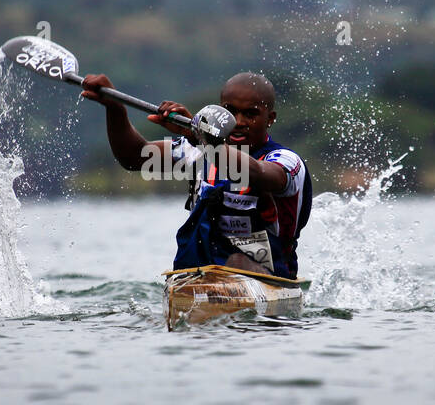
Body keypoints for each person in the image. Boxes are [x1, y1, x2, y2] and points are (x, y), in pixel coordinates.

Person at [79, 71, 311, 279]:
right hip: (200, 274)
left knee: (237, 262)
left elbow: (256, 173)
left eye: (250, 114)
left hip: (270, 277)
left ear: (269, 119)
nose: (239, 123)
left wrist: (199, 139)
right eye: (229, 112)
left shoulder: (287, 161)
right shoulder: (197, 149)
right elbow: (133, 157)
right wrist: (114, 109)